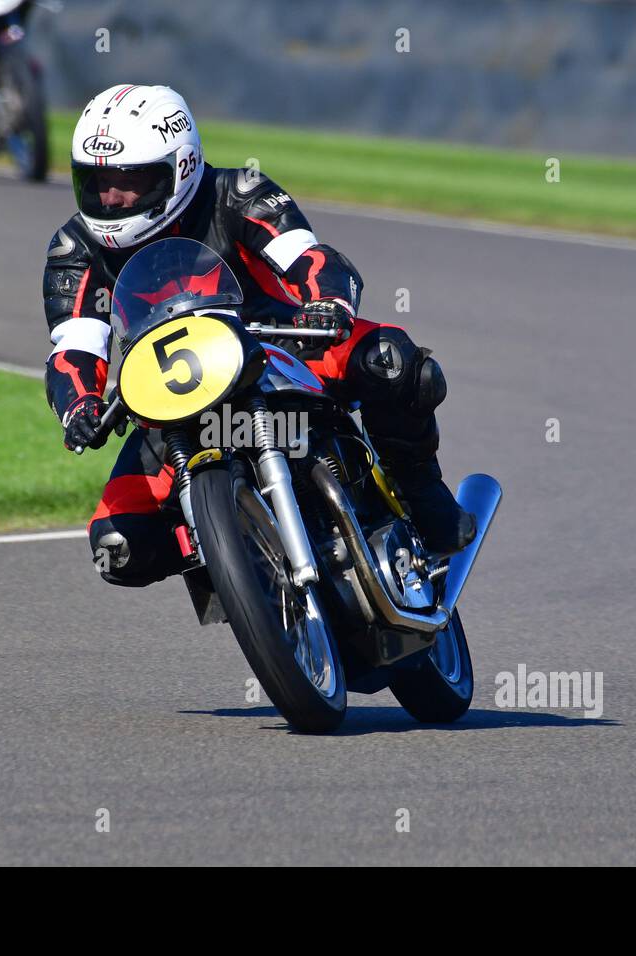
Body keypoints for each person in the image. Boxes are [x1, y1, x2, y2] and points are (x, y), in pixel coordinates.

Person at [44, 84, 476, 586]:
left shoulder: (238, 192)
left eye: (129, 181)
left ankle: (421, 490)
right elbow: (74, 347)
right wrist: (80, 406)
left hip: (285, 349)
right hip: (173, 393)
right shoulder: (75, 247)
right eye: (94, 182)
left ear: (180, 168)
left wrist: (326, 303)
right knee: (118, 548)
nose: (109, 198)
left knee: (395, 363)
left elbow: (308, 256)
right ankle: (231, 550)